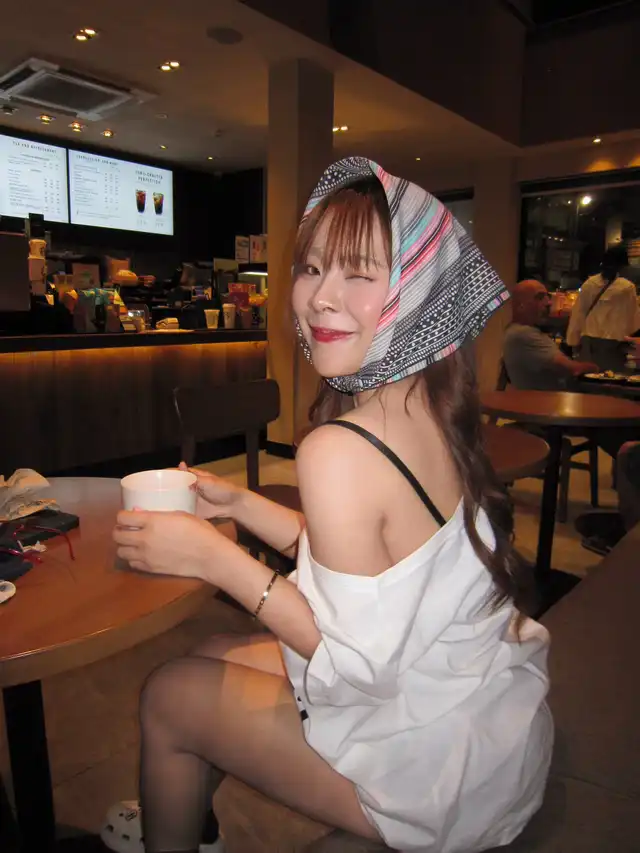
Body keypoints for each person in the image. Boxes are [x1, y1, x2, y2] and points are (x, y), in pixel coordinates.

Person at [104, 158, 552, 853]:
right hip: (489, 734)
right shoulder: (434, 406)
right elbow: (383, 564)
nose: (319, 298)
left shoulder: (338, 449)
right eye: (311, 269)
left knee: (168, 693)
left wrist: (216, 559)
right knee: (217, 651)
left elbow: (356, 666)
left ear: (417, 289)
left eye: (360, 273)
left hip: (433, 769)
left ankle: (176, 811)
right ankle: (187, 809)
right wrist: (242, 504)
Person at [503, 279, 597, 390]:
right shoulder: (523, 334)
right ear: (521, 306)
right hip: (544, 400)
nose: (549, 303)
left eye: (547, 297)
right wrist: (597, 368)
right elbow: (571, 369)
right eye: (540, 298)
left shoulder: (516, 331)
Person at [566, 246, 640, 371]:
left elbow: (578, 313)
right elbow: (633, 320)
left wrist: (573, 341)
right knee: (611, 378)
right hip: (614, 345)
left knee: (588, 376)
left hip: (589, 342)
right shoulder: (627, 288)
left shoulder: (589, 284)